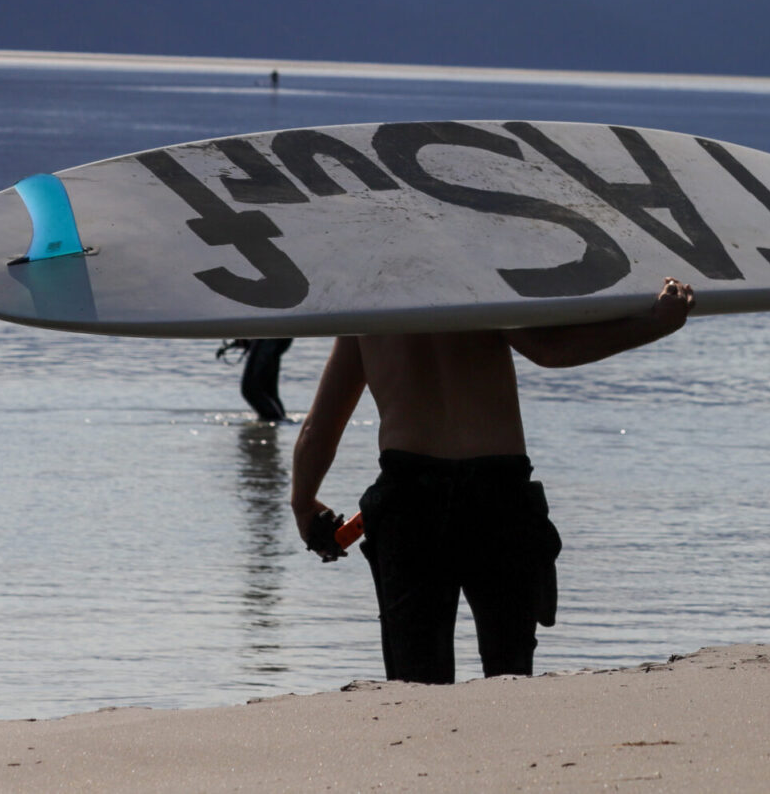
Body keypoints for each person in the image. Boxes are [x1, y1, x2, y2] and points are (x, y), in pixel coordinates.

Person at [288, 278, 696, 685]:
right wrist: (657, 322)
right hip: (496, 493)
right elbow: (552, 349)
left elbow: (318, 429)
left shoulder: (368, 300)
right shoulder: (475, 279)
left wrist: (303, 502)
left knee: (415, 683)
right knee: (510, 673)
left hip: (410, 497)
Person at [216, 338, 294, 422]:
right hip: (275, 332)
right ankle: (278, 425)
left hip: (266, 333)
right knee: (267, 391)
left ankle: (275, 423)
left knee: (251, 389)